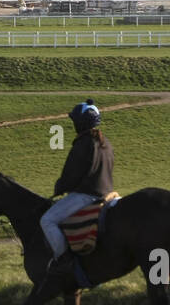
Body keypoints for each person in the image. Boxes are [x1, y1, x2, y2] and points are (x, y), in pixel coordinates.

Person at [40, 100, 114, 280]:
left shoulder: (82, 143)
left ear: (80, 123)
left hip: (86, 197)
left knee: (47, 220)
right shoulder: (106, 143)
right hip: (108, 194)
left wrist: (60, 187)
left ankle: (64, 259)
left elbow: (70, 176)